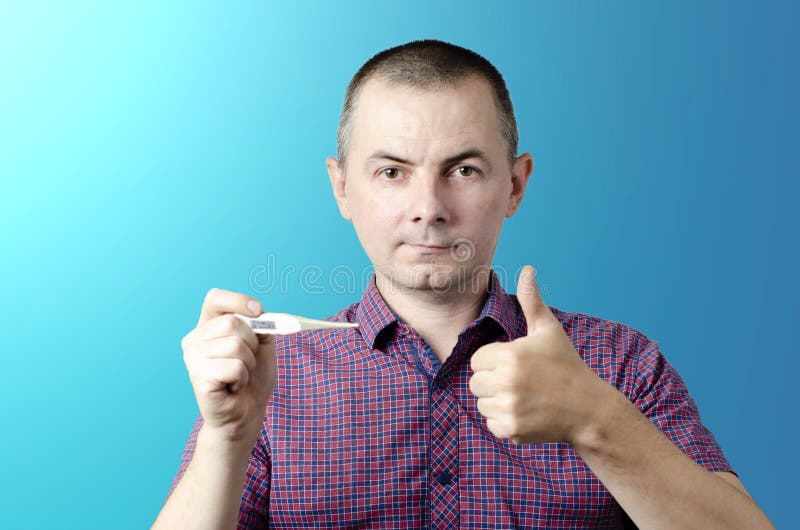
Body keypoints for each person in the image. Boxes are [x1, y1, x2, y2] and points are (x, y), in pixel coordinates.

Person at [152, 39, 773, 529]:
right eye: (392, 171)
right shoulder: (271, 376)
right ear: (342, 187)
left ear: (515, 185)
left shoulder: (621, 366)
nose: (429, 206)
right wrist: (227, 437)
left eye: (464, 169)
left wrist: (596, 421)